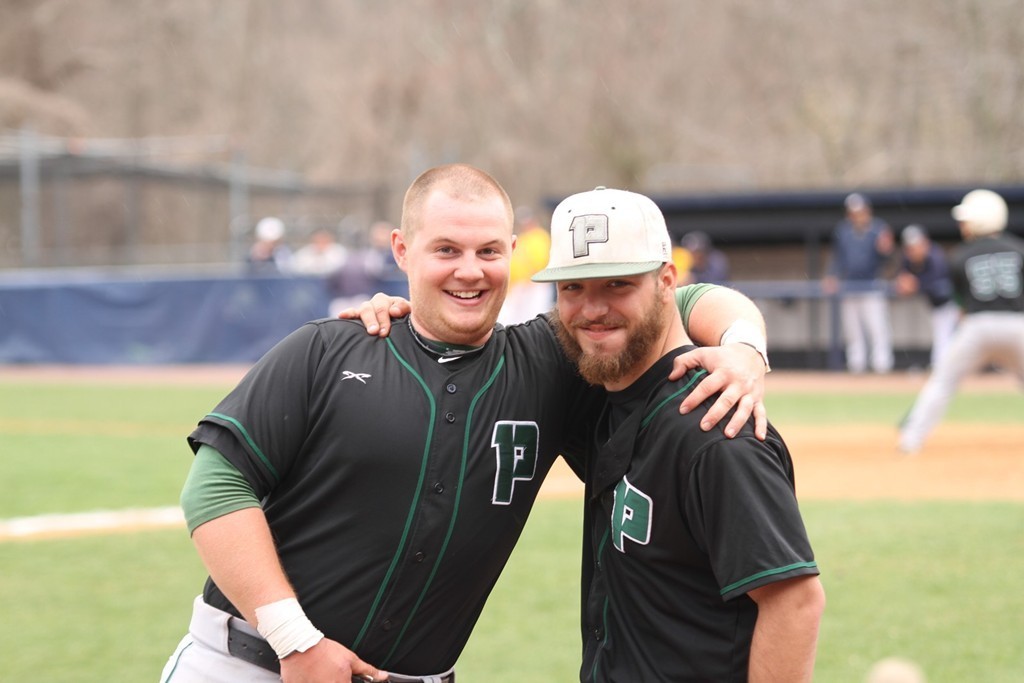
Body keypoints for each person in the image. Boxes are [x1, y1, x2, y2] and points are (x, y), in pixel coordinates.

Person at [161, 164, 770, 683]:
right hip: (251, 664)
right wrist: (296, 639)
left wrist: (744, 347)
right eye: (446, 250)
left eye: (488, 251)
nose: (469, 271)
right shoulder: (329, 349)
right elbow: (213, 490)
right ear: (402, 250)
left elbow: (675, 300)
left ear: (512, 251)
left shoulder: (549, 362)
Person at [530, 186, 824, 681]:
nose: (591, 309)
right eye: (572, 288)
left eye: (617, 284)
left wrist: (748, 348)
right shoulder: (609, 393)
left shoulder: (714, 429)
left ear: (667, 280)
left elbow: (794, 604)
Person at [898, 189, 1024, 454]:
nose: (962, 225)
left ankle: (911, 439)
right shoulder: (1018, 249)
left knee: (942, 382)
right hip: (1017, 324)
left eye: (967, 220)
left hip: (978, 326)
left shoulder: (960, 255)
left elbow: (960, 301)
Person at [822, 192, 896, 373]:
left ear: (867, 211)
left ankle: (882, 365)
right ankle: (856, 365)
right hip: (849, 285)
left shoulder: (878, 229)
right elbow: (838, 258)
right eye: (853, 212)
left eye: (860, 211)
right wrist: (832, 275)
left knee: (877, 327)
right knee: (852, 330)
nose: (857, 215)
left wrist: (886, 251)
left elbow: (888, 260)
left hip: (871, 284)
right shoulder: (843, 230)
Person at [893, 224, 958, 368]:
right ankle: (942, 365)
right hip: (934, 304)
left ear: (925, 243)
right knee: (942, 335)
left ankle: (942, 366)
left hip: (953, 302)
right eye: (909, 247)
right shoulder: (908, 258)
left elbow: (941, 288)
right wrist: (903, 282)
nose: (912, 250)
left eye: (916, 245)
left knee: (946, 335)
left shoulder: (936, 258)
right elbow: (903, 276)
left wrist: (916, 285)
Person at [498, 205, 554, 325]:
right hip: (518, 285)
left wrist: (531, 279)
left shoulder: (540, 236)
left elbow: (542, 261)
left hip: (535, 284)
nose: (525, 224)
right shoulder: (522, 238)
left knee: (535, 316)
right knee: (515, 319)